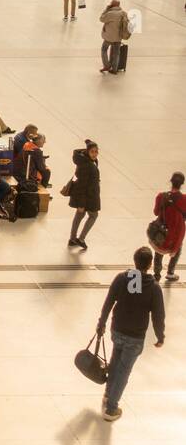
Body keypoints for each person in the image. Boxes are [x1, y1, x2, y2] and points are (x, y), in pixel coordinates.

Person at [96, 247, 165, 422]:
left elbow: (109, 301)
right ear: (150, 265)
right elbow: (158, 315)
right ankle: (111, 408)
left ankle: (107, 395)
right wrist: (160, 336)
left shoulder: (121, 278)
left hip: (117, 329)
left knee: (115, 362)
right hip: (135, 336)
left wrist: (101, 323)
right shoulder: (154, 287)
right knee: (123, 371)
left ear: (135, 261)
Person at [151, 172, 186, 282]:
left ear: (171, 182)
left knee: (158, 252)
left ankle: (157, 274)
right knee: (178, 248)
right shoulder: (184, 199)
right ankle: (170, 272)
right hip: (177, 232)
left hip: (162, 231)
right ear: (182, 184)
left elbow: (156, 212)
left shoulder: (161, 196)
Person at [67, 139, 101, 250]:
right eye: (92, 151)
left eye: (96, 151)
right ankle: (81, 239)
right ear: (87, 152)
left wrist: (88, 146)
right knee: (93, 215)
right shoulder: (86, 165)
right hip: (88, 196)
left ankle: (73, 239)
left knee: (79, 215)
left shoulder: (86, 160)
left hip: (89, 195)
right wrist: (81, 203)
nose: (95, 154)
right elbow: (81, 186)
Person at [99, 0, 130, 74]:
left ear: (112, 5)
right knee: (116, 52)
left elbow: (101, 19)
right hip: (119, 36)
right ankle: (114, 69)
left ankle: (107, 65)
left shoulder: (110, 13)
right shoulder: (123, 13)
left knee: (104, 49)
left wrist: (106, 9)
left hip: (109, 36)